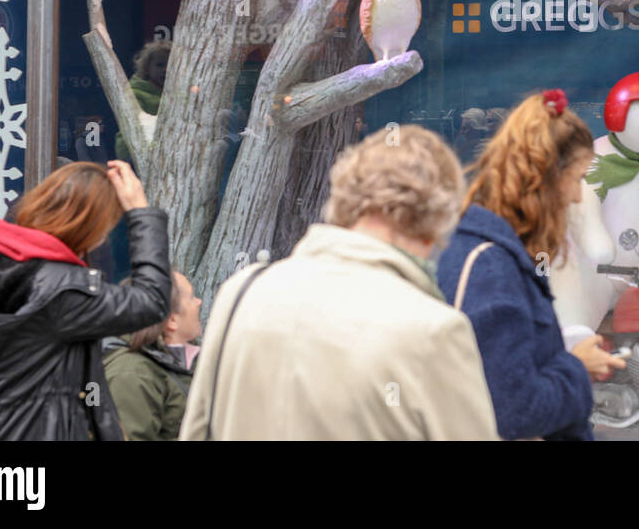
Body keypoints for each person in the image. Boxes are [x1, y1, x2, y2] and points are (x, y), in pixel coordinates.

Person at [180, 126, 498, 440]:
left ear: (343, 198)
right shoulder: (436, 330)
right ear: (440, 217)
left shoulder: (241, 293)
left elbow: (196, 430)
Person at [438, 88, 625, 441]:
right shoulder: (488, 268)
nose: (577, 195)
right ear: (547, 177)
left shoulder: (497, 255)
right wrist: (575, 367)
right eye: (578, 178)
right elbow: (513, 413)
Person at [0, 161, 172, 441]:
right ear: (90, 227)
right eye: (106, 227)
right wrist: (140, 212)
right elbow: (152, 301)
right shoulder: (62, 292)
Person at [102, 271, 202, 441]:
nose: (199, 302)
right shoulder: (131, 375)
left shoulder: (183, 360)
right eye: (192, 297)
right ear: (171, 320)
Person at [114, 39, 171, 164]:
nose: (165, 70)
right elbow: (135, 124)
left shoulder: (175, 92)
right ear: (146, 68)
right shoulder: (135, 91)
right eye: (160, 65)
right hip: (132, 151)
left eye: (170, 64)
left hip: (162, 150)